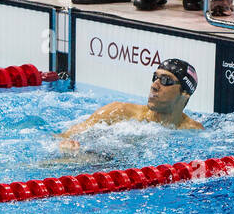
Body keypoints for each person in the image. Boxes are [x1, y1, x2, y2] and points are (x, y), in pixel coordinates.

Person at [59, 59, 202, 149]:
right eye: (155, 78)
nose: (154, 85)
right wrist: (66, 144)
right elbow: (65, 135)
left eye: (165, 80)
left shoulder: (193, 131)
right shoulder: (118, 112)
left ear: (184, 95)